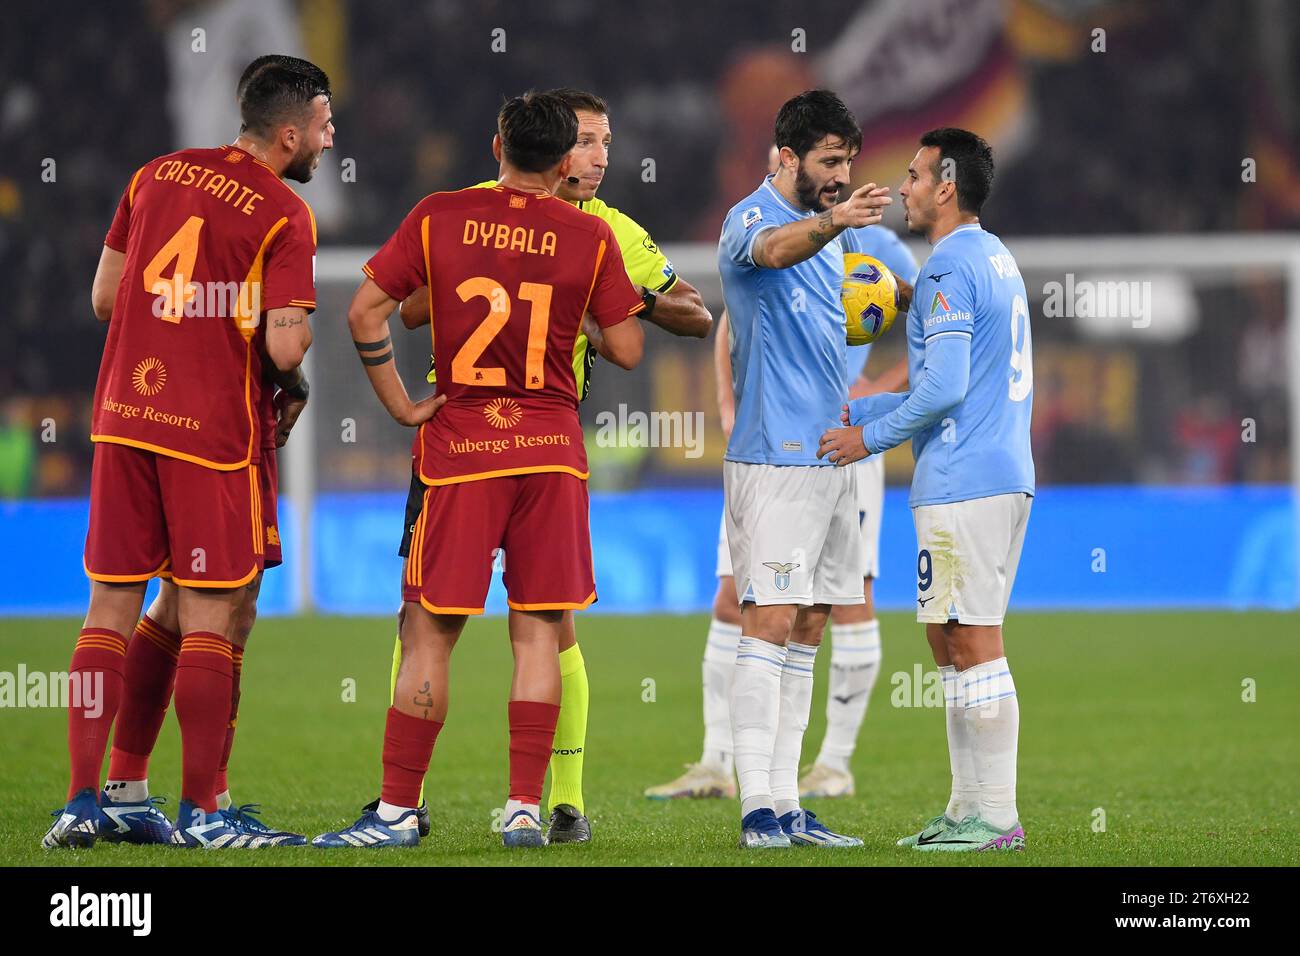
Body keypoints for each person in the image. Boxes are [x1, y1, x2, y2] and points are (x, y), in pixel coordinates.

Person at [375, 88, 712, 844]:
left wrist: (605, 301)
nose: (597, 158)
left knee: (522, 625)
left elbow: (693, 313)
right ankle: (434, 800)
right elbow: (416, 307)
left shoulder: (610, 232)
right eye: (587, 141)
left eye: (606, 143)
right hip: (533, 445)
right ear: (558, 152)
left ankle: (557, 799)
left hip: (476, 438)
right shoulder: (495, 216)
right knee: (454, 620)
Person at [314, 91, 645, 849]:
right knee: (537, 634)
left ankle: (398, 812)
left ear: (497, 144)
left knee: (428, 632)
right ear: (566, 161)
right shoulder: (588, 239)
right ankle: (525, 807)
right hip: (551, 455)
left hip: (461, 450)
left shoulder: (439, 216)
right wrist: (578, 312)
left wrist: (401, 403)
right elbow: (627, 349)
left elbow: (368, 311)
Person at [43, 59, 326, 849]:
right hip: (209, 433)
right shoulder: (284, 211)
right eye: (326, 127)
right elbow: (282, 340)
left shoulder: (154, 175)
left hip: (126, 418)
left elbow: (106, 298)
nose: (331, 142)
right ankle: (206, 811)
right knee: (216, 611)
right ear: (291, 132)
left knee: (111, 606)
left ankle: (93, 798)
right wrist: (294, 362)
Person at [647, 145, 916, 802]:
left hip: (841, 442)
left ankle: (834, 764)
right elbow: (734, 318)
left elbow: (933, 330)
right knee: (733, 595)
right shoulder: (765, 231)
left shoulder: (875, 243)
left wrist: (877, 398)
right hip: (767, 446)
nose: (833, 174)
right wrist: (726, 399)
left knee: (840, 604)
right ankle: (718, 763)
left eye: (842, 162)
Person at [818, 128, 1033, 852]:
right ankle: (966, 804)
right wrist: (864, 410)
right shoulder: (992, 256)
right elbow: (956, 382)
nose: (901, 187)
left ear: (946, 183)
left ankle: (995, 814)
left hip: (964, 480)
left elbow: (942, 390)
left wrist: (864, 437)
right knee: (952, 640)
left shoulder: (947, 268)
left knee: (972, 640)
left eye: (911, 176)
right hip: (998, 471)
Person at [716, 90, 896, 849]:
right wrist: (834, 220)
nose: (841, 175)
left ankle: (787, 804)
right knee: (767, 620)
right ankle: (756, 806)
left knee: (812, 622)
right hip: (775, 458)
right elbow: (772, 253)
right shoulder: (751, 219)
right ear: (787, 158)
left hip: (834, 455)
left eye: (848, 161)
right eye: (828, 161)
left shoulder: (840, 245)